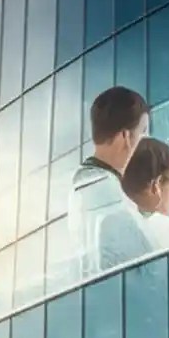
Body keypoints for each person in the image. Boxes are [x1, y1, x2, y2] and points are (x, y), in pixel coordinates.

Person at [67, 86, 150, 277]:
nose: (147, 141)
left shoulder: (90, 181)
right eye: (143, 131)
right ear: (125, 136)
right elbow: (143, 257)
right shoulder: (100, 187)